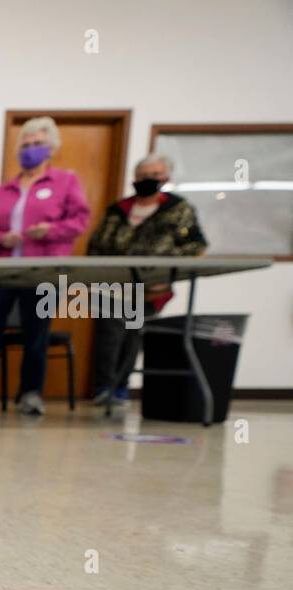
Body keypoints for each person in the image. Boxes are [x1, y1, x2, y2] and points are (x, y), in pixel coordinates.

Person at [0, 116, 90, 416]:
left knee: (36, 335)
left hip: (42, 273)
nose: (30, 150)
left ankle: (31, 394)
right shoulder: (3, 190)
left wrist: (49, 231)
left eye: (37, 144)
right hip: (0, 272)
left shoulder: (65, 182)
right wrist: (1, 239)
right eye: (25, 145)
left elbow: (80, 221)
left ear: (51, 148)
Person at [87, 152, 207, 408]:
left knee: (133, 337)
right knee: (108, 336)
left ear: (166, 177)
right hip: (112, 286)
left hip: (151, 287)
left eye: (154, 175)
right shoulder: (118, 210)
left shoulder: (178, 209)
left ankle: (121, 387)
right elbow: (96, 246)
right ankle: (104, 387)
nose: (148, 180)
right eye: (142, 176)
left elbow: (195, 246)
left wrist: (162, 265)